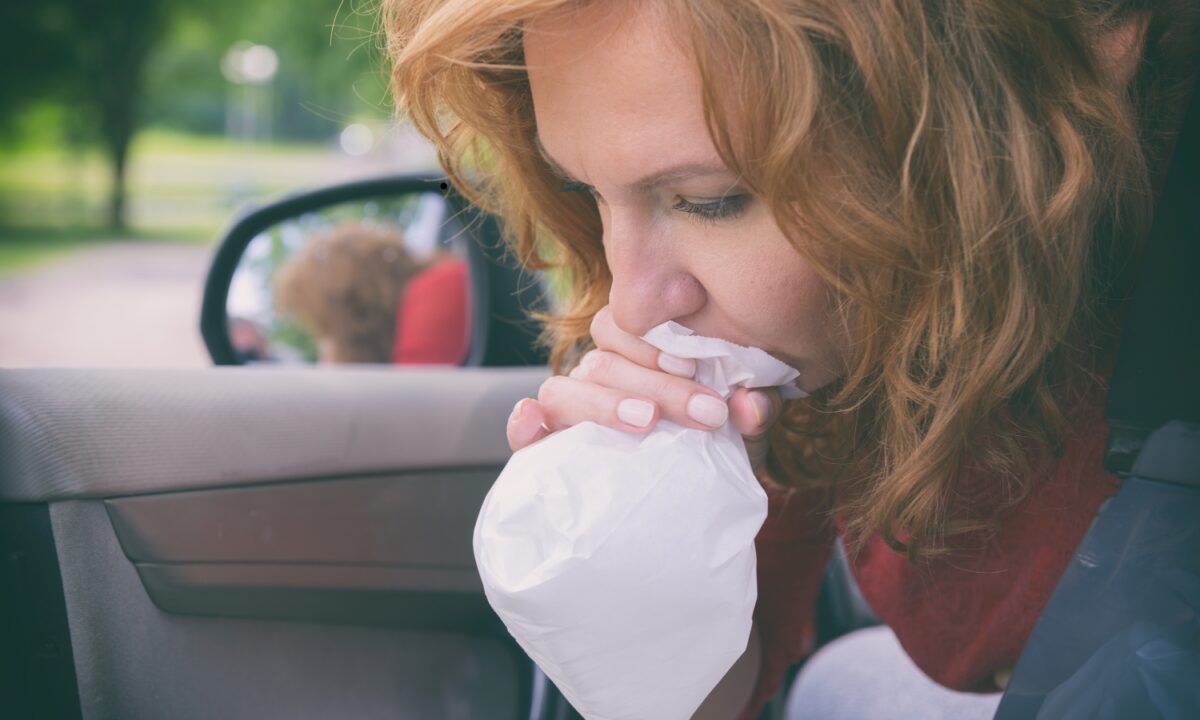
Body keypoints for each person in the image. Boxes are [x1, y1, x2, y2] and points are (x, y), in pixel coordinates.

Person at [384, 1, 1198, 718]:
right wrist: (643, 570)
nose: (626, 306)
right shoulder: (833, 337)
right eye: (591, 192)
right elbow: (726, 685)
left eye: (708, 200)